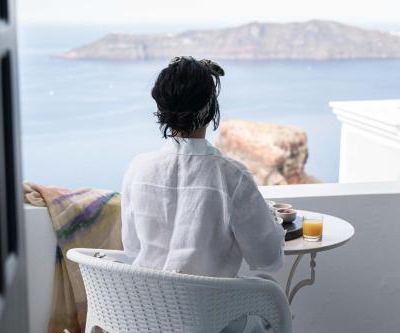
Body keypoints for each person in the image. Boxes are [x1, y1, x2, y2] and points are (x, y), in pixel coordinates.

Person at [120, 56, 286, 332]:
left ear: (163, 108)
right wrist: (273, 222)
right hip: (212, 322)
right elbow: (268, 259)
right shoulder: (232, 177)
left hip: (145, 319)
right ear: (210, 107)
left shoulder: (138, 170)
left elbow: (132, 249)